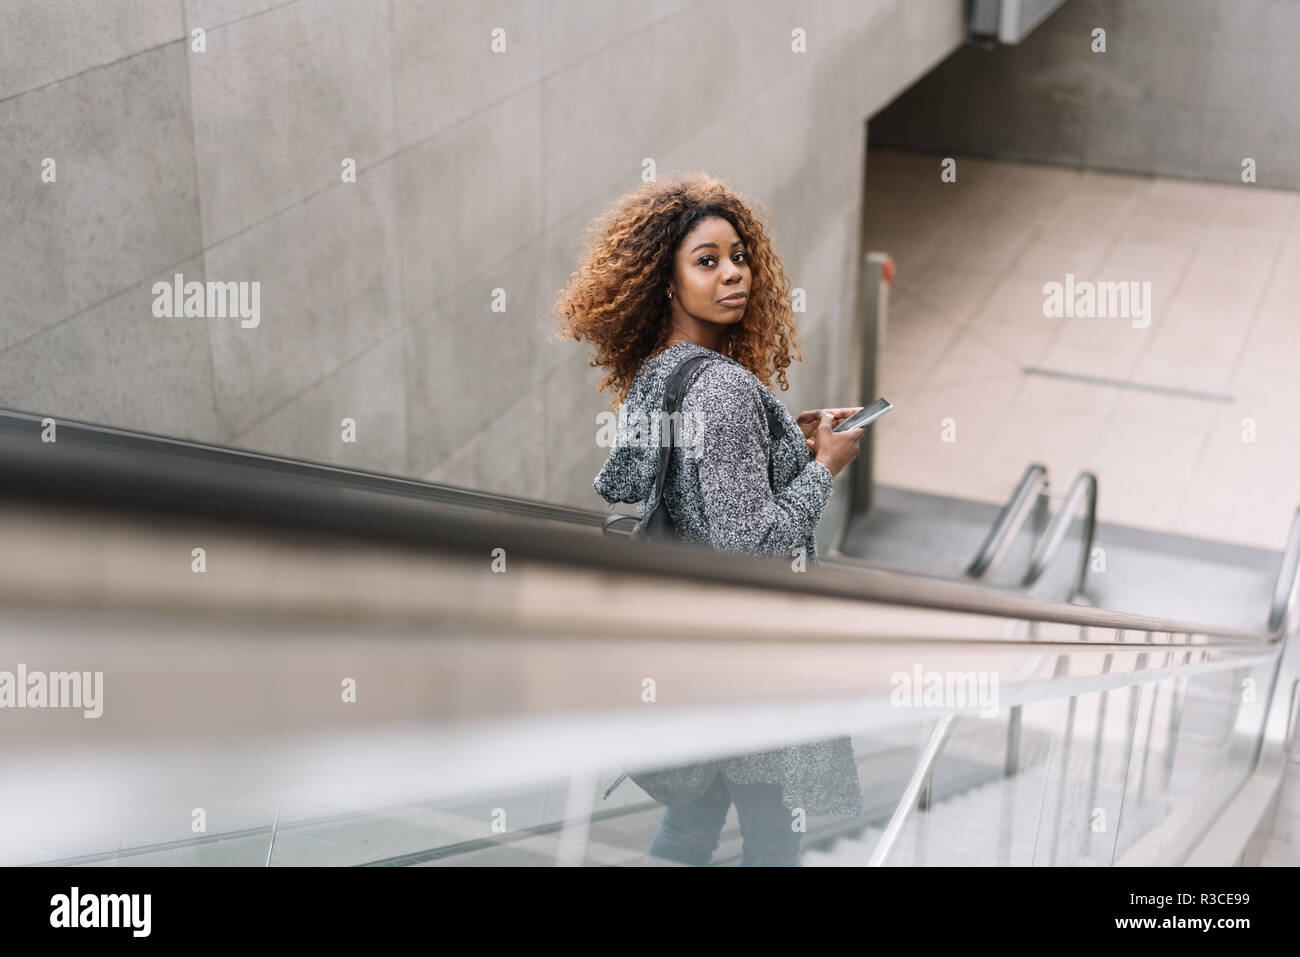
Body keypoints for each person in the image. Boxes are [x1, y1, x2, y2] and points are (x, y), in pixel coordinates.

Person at [553, 172, 867, 866]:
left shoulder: (661, 372)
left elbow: (675, 483)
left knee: (694, 821)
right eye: (707, 261)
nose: (735, 274)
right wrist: (827, 466)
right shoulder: (721, 388)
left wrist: (784, 435)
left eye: (739, 256)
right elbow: (752, 542)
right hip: (749, 662)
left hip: (695, 657)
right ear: (665, 282)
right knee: (774, 835)